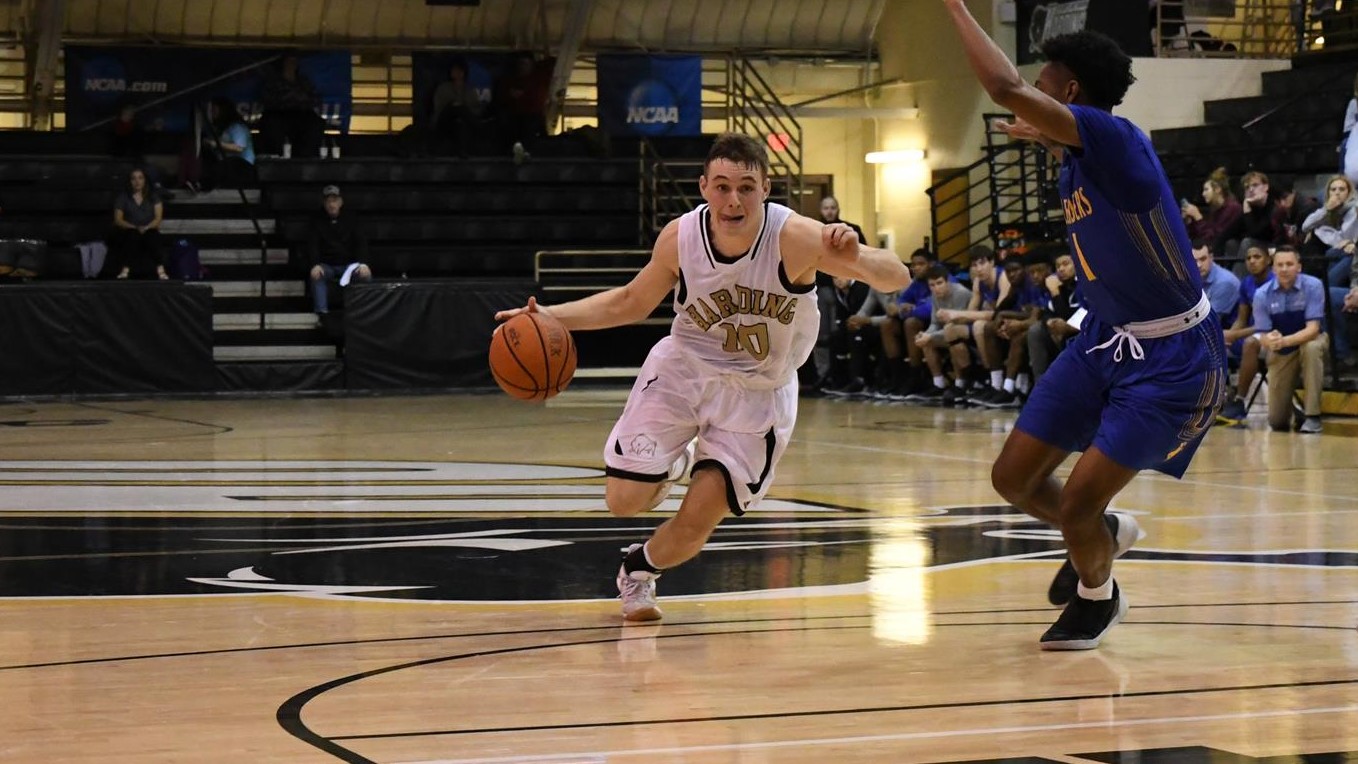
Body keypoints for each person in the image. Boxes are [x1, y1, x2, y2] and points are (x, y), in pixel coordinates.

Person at [494, 133, 912, 622]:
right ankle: (673, 461)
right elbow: (630, 302)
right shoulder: (681, 237)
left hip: (758, 392)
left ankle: (637, 571)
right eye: (721, 186)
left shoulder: (795, 237)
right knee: (623, 501)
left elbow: (896, 276)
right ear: (703, 187)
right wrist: (550, 316)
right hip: (684, 371)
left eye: (746, 187)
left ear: (766, 188)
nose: (733, 199)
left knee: (697, 521)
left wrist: (854, 249)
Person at [945, 3, 1225, 650]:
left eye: (1045, 84)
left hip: (1172, 358)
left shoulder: (1117, 139)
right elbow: (1029, 106)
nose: (1032, 96)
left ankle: (1098, 597)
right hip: (1104, 338)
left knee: (1075, 504)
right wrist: (1042, 134)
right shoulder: (1077, 157)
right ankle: (1108, 532)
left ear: (1071, 92)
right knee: (1012, 479)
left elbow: (1003, 88)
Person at [1252, 246, 1328, 434]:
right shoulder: (1262, 294)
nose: (1285, 269)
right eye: (1280, 265)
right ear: (1274, 269)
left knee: (1310, 348)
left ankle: (1313, 416)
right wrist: (1269, 340)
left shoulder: (1313, 285)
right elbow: (1262, 334)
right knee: (1277, 422)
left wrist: (1283, 341)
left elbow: (1313, 329)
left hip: (1311, 339)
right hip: (1282, 349)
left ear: (1299, 267)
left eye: (1289, 264)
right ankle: (1296, 412)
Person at [811, 196, 868, 387]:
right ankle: (823, 373)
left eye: (833, 208)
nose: (829, 211)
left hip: (848, 284)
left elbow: (863, 254)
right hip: (822, 286)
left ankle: (842, 374)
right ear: (820, 209)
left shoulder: (851, 229)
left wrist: (846, 277)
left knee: (841, 331)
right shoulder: (813, 229)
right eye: (826, 208)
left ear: (838, 209)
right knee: (821, 333)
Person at [307, 185, 371, 317]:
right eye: (328, 201)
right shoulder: (316, 220)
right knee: (316, 275)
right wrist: (315, 265)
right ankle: (322, 313)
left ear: (340, 202)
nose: (331, 204)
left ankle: (364, 313)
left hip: (349, 265)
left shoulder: (352, 218)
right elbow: (312, 245)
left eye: (334, 200)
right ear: (324, 203)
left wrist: (363, 264)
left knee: (364, 275)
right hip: (327, 265)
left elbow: (361, 242)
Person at [259, 53, 325, 158]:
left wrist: (300, 97)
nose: (291, 64)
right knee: (271, 124)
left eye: (294, 62)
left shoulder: (303, 81)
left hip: (302, 114)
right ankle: (277, 156)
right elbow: (266, 100)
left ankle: (307, 157)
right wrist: (289, 97)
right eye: (289, 62)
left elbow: (315, 99)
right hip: (278, 114)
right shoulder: (273, 81)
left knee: (316, 123)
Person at [107, 167, 166, 280]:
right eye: (133, 179)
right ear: (130, 181)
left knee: (152, 236)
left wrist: (146, 227)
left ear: (145, 180)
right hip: (129, 229)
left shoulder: (154, 197)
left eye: (140, 178)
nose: (137, 181)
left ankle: (161, 270)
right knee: (133, 235)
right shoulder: (123, 198)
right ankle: (125, 270)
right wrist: (135, 227)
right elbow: (118, 220)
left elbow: (158, 219)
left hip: (149, 228)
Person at [199, 97, 256, 192]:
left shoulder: (237, 127)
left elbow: (239, 148)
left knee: (225, 165)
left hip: (242, 168)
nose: (213, 114)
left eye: (215, 111)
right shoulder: (224, 130)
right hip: (228, 168)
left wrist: (215, 144)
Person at [431, 58, 485, 158]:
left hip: (464, 121)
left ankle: (463, 151)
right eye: (454, 70)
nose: (456, 73)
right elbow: (438, 108)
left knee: (461, 120)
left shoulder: (469, 89)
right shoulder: (443, 88)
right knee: (456, 108)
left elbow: (476, 108)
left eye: (458, 71)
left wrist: (462, 107)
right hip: (445, 121)